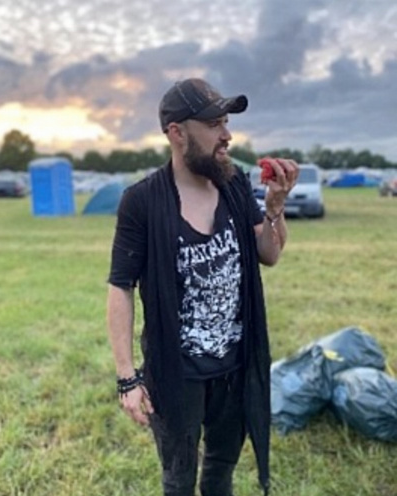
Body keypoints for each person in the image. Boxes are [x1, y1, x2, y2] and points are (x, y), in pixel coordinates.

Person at [106, 78, 299, 496]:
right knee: (179, 478)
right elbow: (120, 286)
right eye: (214, 124)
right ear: (177, 132)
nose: (227, 135)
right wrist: (127, 378)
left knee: (220, 469)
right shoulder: (142, 201)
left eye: (226, 122)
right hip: (176, 374)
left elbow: (269, 253)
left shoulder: (234, 184)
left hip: (235, 366)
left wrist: (275, 209)